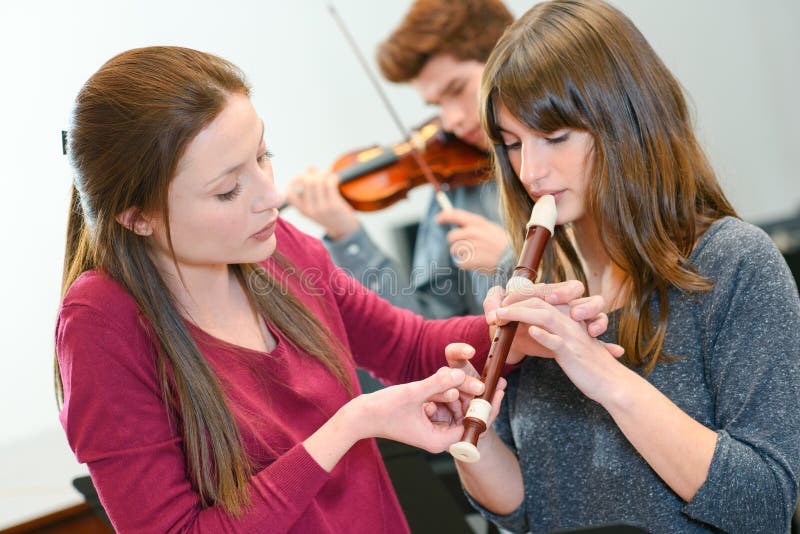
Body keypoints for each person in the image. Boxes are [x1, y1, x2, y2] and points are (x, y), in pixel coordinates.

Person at [55, 46, 613, 533]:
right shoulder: (101, 324)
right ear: (137, 217)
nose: (269, 196)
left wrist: (509, 337)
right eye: (228, 190)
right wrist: (352, 424)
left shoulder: (278, 248)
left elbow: (406, 346)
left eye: (262, 156)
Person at [445, 1, 800, 533]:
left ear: (626, 120)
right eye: (513, 144)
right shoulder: (522, 283)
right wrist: (471, 432)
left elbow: (763, 506)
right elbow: (524, 512)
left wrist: (603, 374)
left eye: (556, 137)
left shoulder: (736, 264)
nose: (531, 171)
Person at [286, 0, 515, 319]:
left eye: (457, 88)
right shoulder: (455, 188)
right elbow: (426, 328)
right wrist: (347, 234)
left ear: (509, 58)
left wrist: (509, 261)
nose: (450, 121)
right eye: (436, 104)